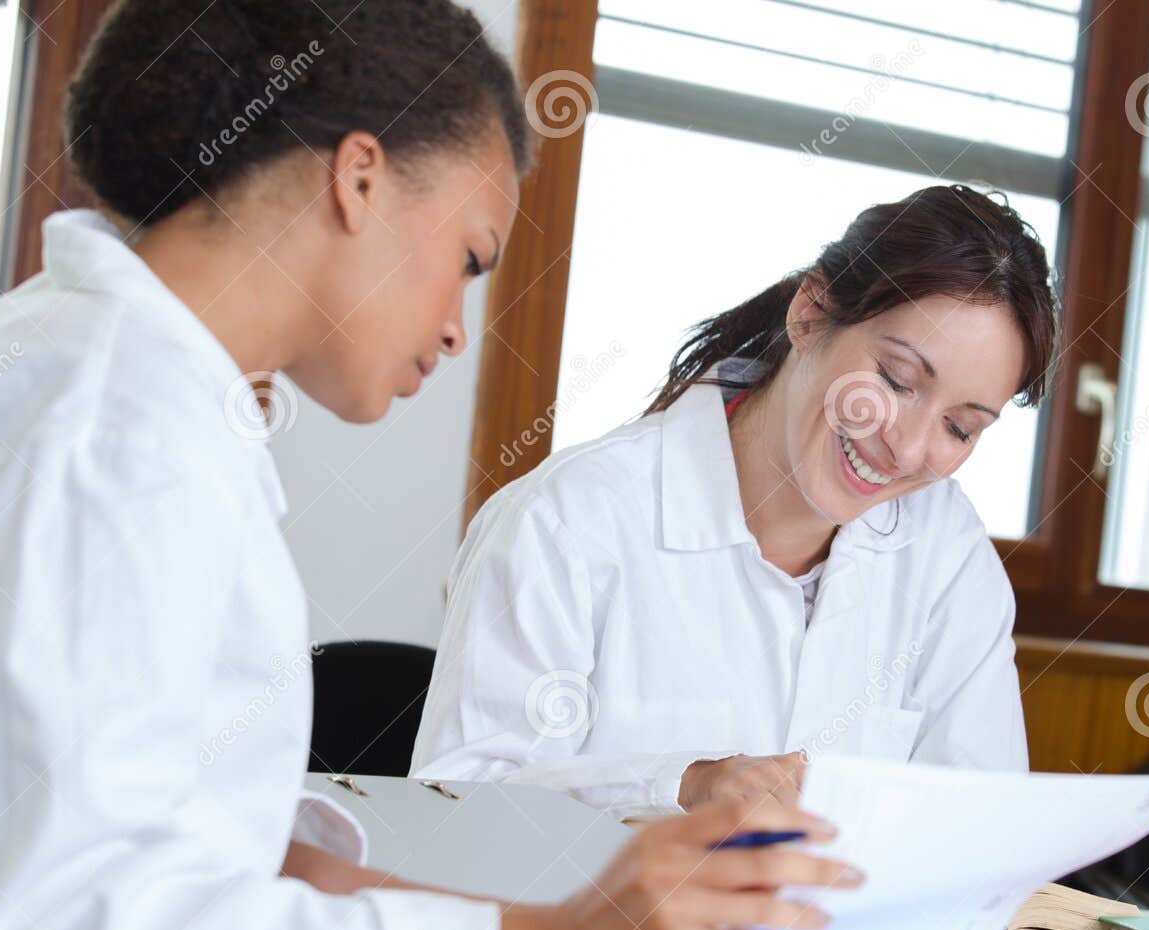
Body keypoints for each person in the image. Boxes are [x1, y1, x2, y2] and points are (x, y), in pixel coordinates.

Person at [0, 0, 857, 930]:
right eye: (467, 255)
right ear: (358, 178)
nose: (458, 323)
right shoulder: (115, 429)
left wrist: (559, 928)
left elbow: (190, 834)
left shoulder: (108, 378)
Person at [411, 185, 1057, 815]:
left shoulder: (947, 551)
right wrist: (679, 786)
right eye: (897, 379)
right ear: (809, 314)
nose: (910, 449)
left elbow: (981, 820)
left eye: (960, 427)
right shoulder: (568, 521)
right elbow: (458, 809)